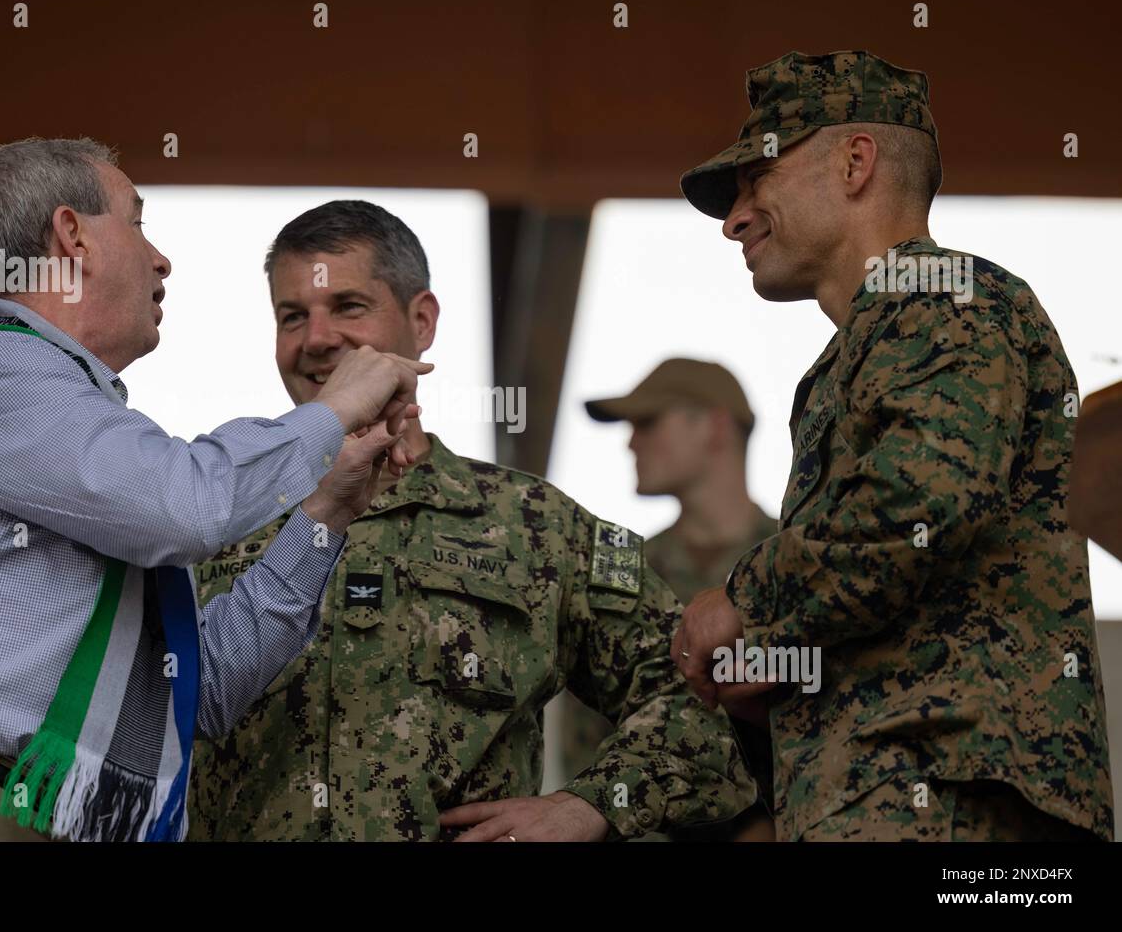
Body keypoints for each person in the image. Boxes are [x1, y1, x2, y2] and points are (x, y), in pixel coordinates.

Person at [0, 138, 428, 842]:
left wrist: (326, 510)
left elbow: (202, 690)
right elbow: (188, 505)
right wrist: (330, 412)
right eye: (138, 222)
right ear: (71, 235)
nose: (161, 258)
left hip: (33, 813)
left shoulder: (80, 429)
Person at [187, 200, 757, 841]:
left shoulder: (538, 526)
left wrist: (587, 807)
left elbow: (698, 693)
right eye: (293, 316)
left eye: (348, 306)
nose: (316, 338)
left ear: (421, 321)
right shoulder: (211, 513)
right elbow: (119, 715)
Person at [673, 51, 1113, 841]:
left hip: (945, 795)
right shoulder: (860, 350)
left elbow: (914, 509)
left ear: (855, 162)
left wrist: (745, 600)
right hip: (885, 794)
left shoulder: (946, 298)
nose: (734, 217)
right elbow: (891, 584)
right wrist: (773, 660)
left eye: (756, 179)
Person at [552, 358, 777, 840]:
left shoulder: (803, 570)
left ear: (715, 426)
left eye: (649, 421)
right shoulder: (624, 573)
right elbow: (589, 748)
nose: (631, 441)